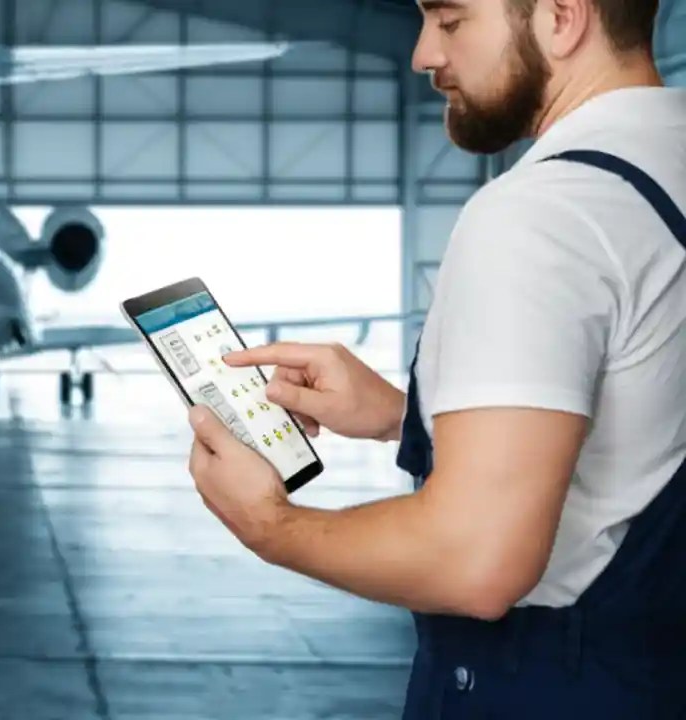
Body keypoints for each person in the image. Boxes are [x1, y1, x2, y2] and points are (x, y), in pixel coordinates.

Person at [186, 0, 686, 716]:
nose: (422, 53)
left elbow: (475, 562)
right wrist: (404, 415)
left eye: (450, 21)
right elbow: (649, 408)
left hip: (551, 686)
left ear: (563, 17)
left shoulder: (542, 213)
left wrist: (272, 525)